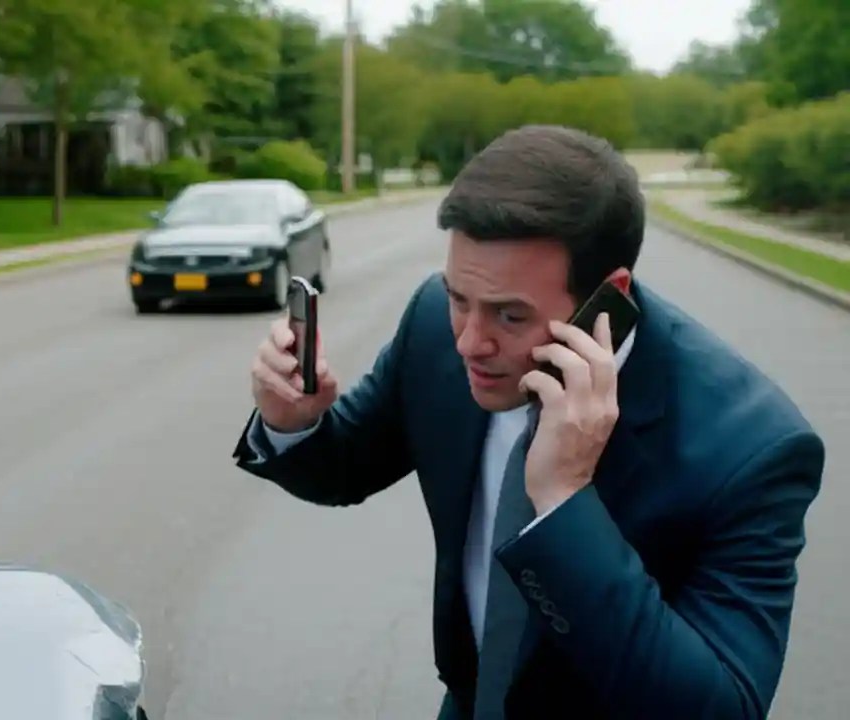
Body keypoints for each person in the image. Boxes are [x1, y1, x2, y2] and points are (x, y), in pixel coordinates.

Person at [231, 125, 825, 719]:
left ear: (609, 296)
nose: (469, 341)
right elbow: (345, 466)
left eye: (511, 316)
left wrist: (565, 503)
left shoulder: (754, 448)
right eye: (458, 297)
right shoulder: (435, 327)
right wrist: (294, 423)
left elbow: (723, 708)